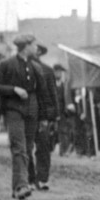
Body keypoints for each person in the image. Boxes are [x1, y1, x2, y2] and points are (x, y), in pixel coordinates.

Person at [0, 33, 42, 200]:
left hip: (31, 111)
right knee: (19, 147)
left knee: (27, 148)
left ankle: (19, 186)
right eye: (34, 45)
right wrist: (14, 90)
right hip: (13, 109)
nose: (36, 48)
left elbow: (41, 91)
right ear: (26, 46)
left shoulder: (35, 66)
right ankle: (21, 186)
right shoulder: (7, 64)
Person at [28, 44, 59, 190]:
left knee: (44, 147)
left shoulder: (47, 70)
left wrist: (53, 116)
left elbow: (53, 95)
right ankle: (29, 179)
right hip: (25, 114)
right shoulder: (20, 69)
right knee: (25, 148)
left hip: (42, 116)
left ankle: (42, 178)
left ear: (39, 52)